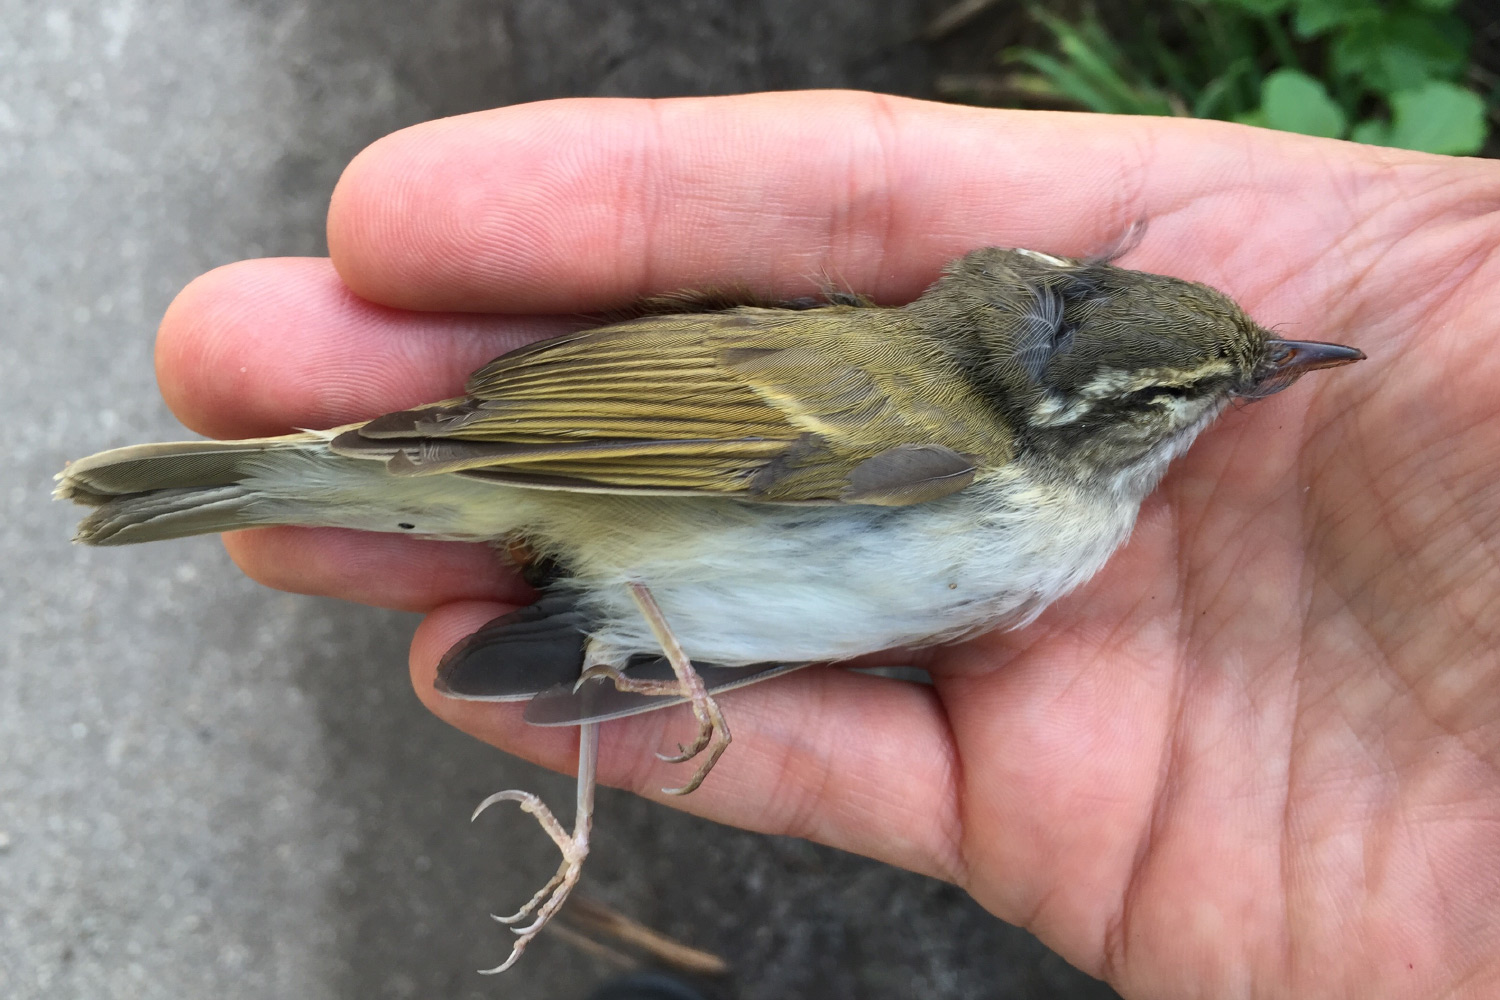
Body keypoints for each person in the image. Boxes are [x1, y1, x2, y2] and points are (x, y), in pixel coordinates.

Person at [154, 91, 1500, 997]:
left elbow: (800, 597)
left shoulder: (1059, 505)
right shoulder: (962, 441)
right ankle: (279, 484)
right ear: (1091, 418)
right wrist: (449, 446)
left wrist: (671, 659)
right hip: (608, 475)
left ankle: (601, 670)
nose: (1234, 397)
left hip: (665, 584)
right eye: (1180, 397)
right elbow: (689, 416)